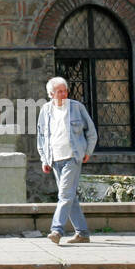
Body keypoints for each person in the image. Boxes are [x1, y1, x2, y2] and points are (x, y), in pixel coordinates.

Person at [35, 76, 97, 245]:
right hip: (55, 159)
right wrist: (44, 159)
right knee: (70, 197)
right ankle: (83, 233)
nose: (63, 94)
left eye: (65, 90)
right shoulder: (45, 110)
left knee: (64, 195)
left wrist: (88, 151)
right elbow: (41, 137)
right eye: (59, 91)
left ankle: (56, 230)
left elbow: (91, 132)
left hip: (73, 157)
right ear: (51, 94)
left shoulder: (77, 108)